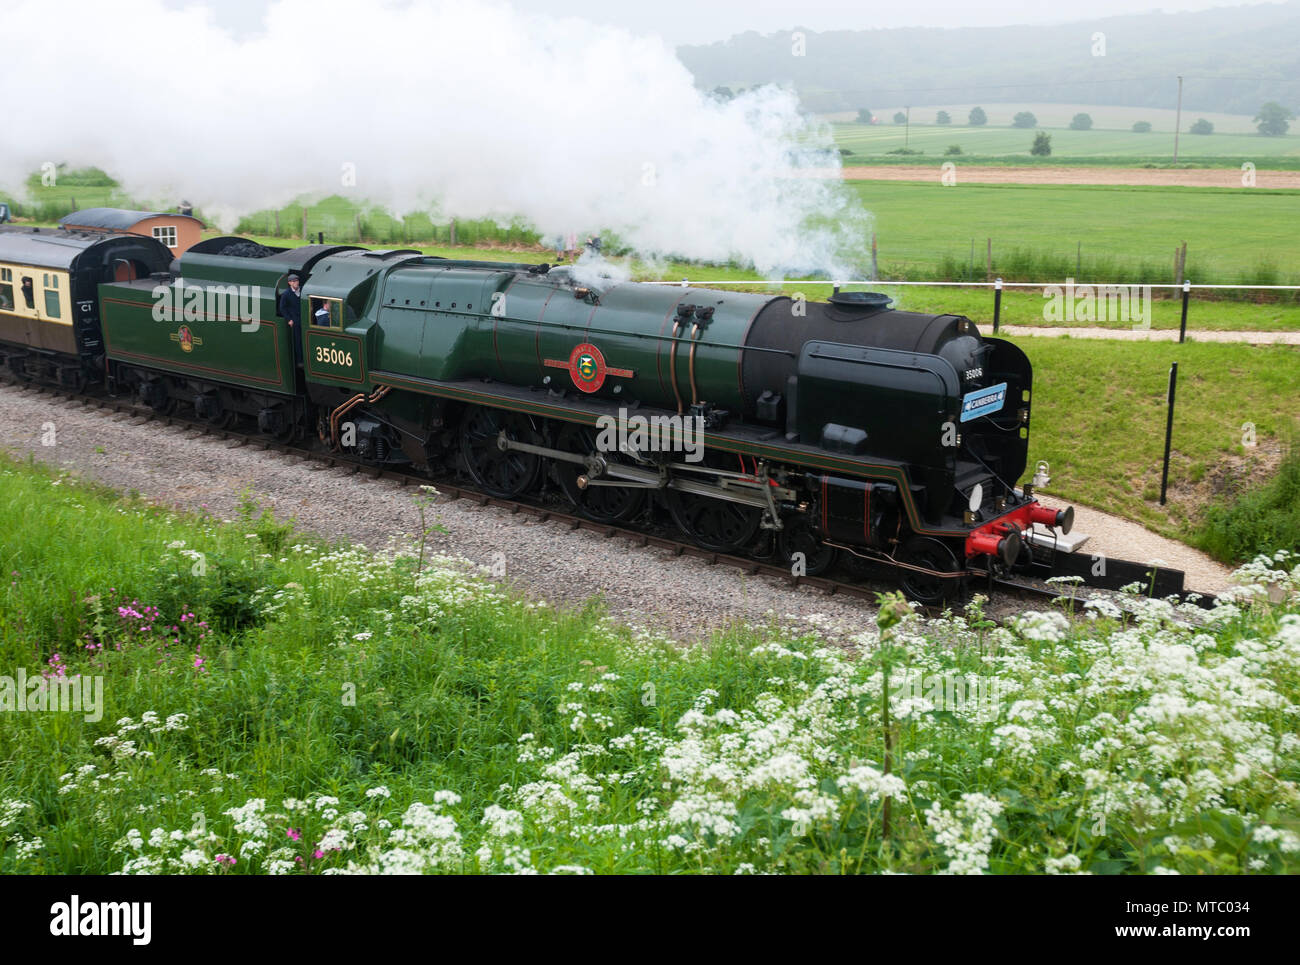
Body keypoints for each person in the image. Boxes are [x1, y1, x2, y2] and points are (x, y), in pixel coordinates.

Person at [278, 274, 303, 367]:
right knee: (298, 341)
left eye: (296, 280)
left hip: (304, 318)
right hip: (295, 320)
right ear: (289, 283)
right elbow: (282, 308)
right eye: (293, 281)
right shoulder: (286, 294)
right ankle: (300, 361)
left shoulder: (303, 290)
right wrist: (289, 319)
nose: (296, 282)